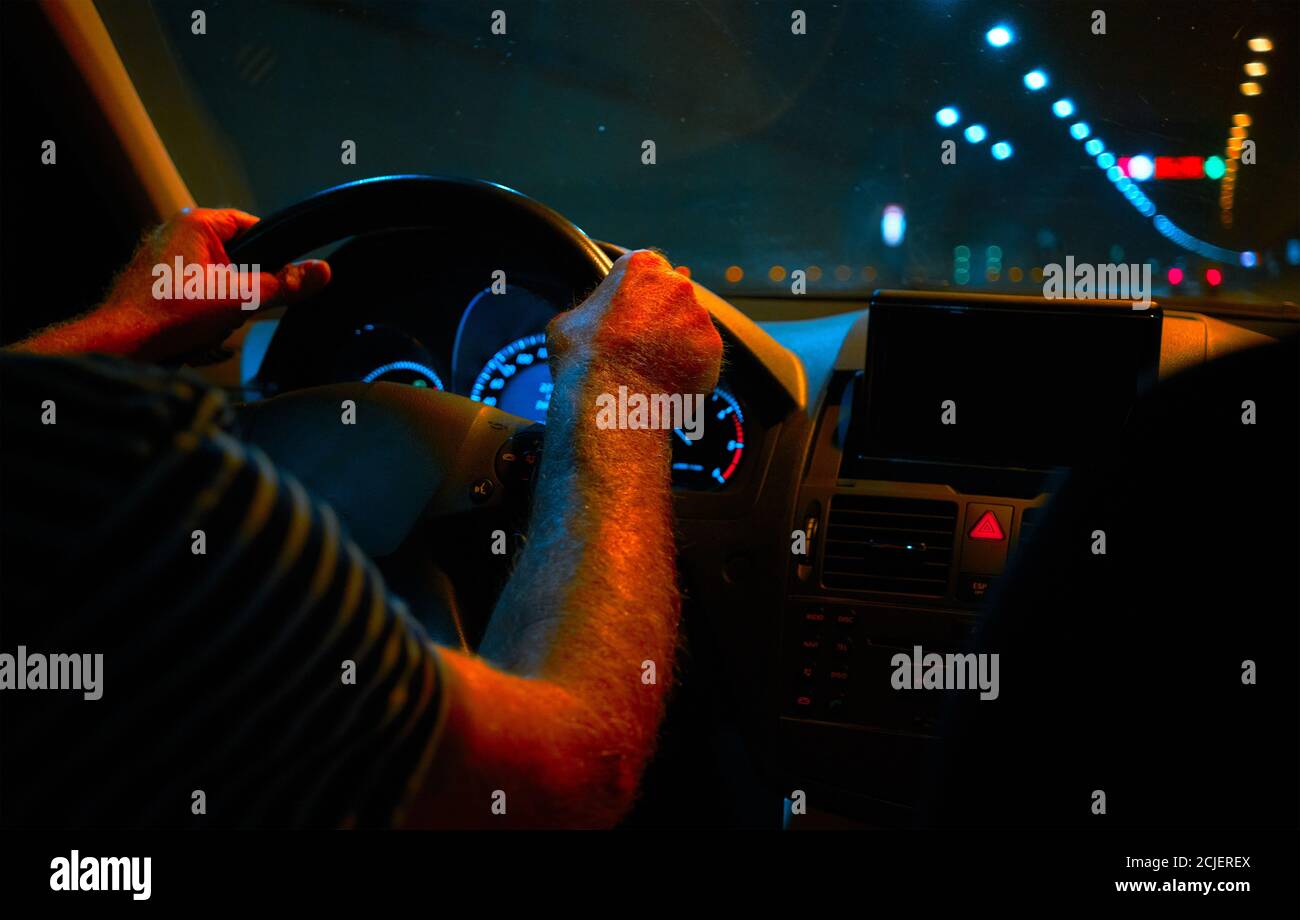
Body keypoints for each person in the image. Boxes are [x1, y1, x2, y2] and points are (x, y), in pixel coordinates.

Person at [0, 208, 722, 829]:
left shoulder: (87, 479)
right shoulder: (143, 481)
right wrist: (623, 388)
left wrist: (131, 326)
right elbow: (561, 782)